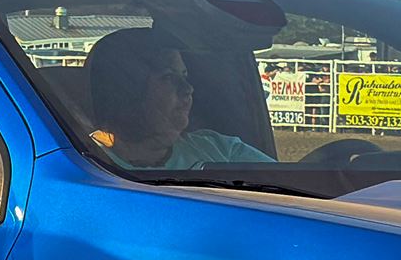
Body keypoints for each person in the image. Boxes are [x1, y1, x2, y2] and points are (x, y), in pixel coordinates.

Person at [84, 27, 273, 170]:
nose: (188, 89)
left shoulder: (222, 150)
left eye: (184, 76)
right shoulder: (83, 164)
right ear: (126, 89)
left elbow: (288, 187)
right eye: (168, 77)